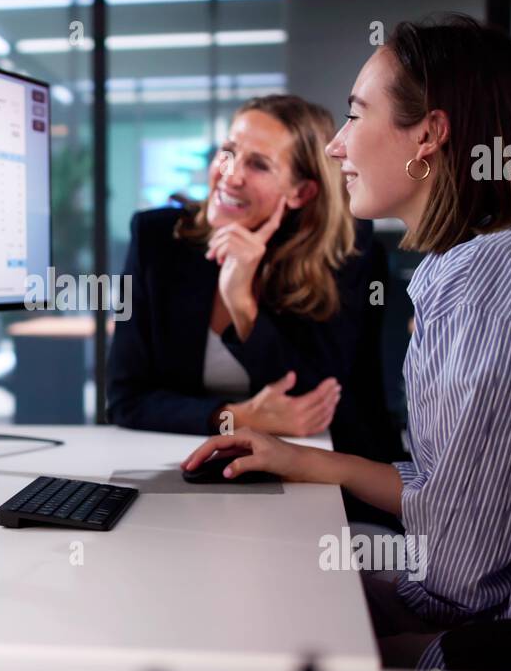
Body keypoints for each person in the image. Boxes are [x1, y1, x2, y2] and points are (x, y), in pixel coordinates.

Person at [182, 15, 511, 668]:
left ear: (430, 136)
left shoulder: (489, 280)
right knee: (306, 577)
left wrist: (364, 605)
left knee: (286, 618)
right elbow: (459, 495)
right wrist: (312, 463)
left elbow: (466, 576)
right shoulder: (483, 262)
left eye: (357, 116)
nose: (336, 146)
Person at [108, 95, 403, 497]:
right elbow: (126, 399)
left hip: (325, 482)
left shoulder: (349, 254)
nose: (230, 175)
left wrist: (241, 303)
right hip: (192, 469)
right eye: (228, 152)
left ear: (301, 192)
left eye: (258, 164)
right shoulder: (156, 238)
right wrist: (238, 417)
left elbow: (310, 407)